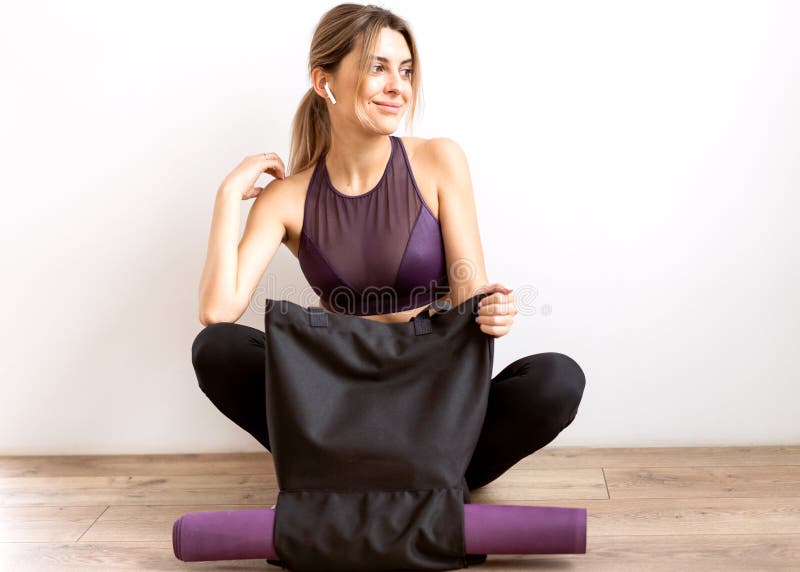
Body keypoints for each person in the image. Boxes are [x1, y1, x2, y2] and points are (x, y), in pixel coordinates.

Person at [192, 3, 585, 491]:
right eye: (377, 67)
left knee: (556, 380)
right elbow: (217, 311)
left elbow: (470, 293)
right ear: (324, 82)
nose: (398, 86)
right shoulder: (285, 198)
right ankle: (413, 481)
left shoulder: (439, 158)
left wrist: (493, 310)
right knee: (218, 349)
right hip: (339, 395)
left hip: (433, 386)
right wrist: (228, 195)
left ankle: (373, 478)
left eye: (406, 70)